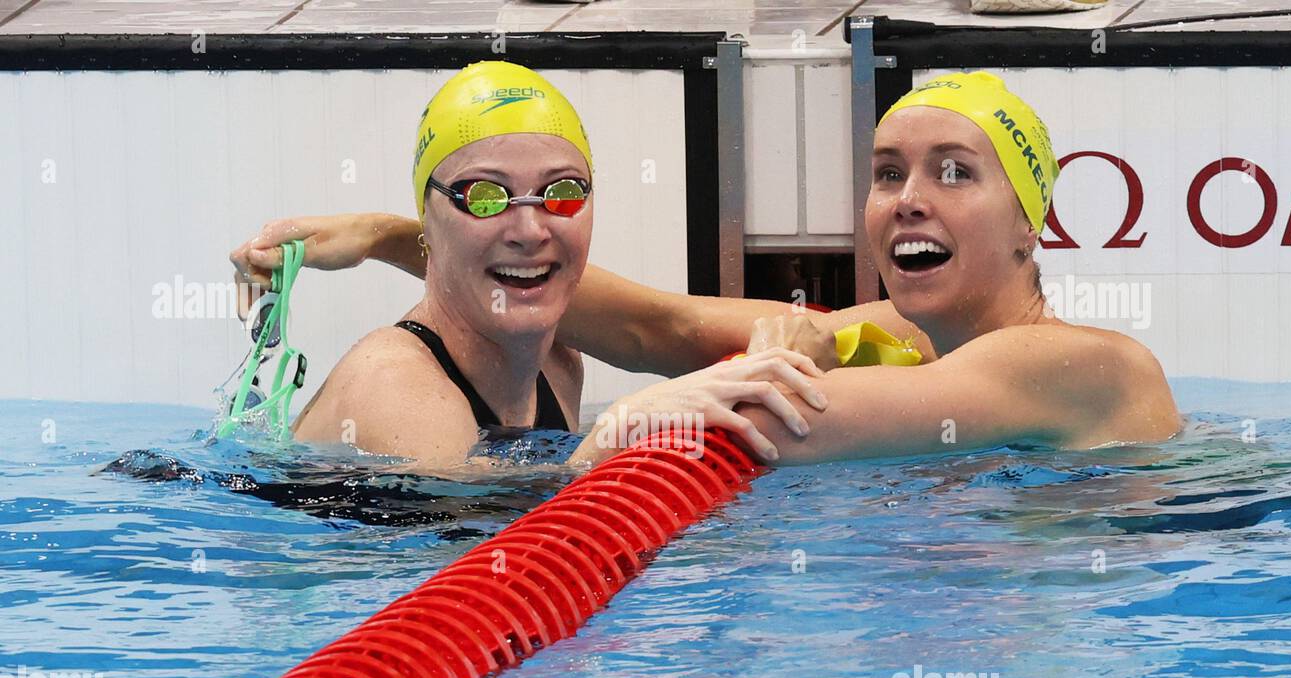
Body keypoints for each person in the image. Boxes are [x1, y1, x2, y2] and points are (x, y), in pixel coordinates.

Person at [233, 70, 1181, 468]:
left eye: (955, 173)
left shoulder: (1078, 365)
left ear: (1032, 220)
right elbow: (662, 332)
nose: (909, 199)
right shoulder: (908, 342)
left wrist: (631, 423)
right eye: (888, 172)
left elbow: (778, 419)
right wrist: (399, 235)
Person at [239, 60, 822, 472]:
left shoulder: (559, 365)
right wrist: (616, 431)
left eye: (561, 193)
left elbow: (661, 329)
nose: (529, 230)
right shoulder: (394, 385)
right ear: (426, 218)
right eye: (483, 197)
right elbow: (465, 553)